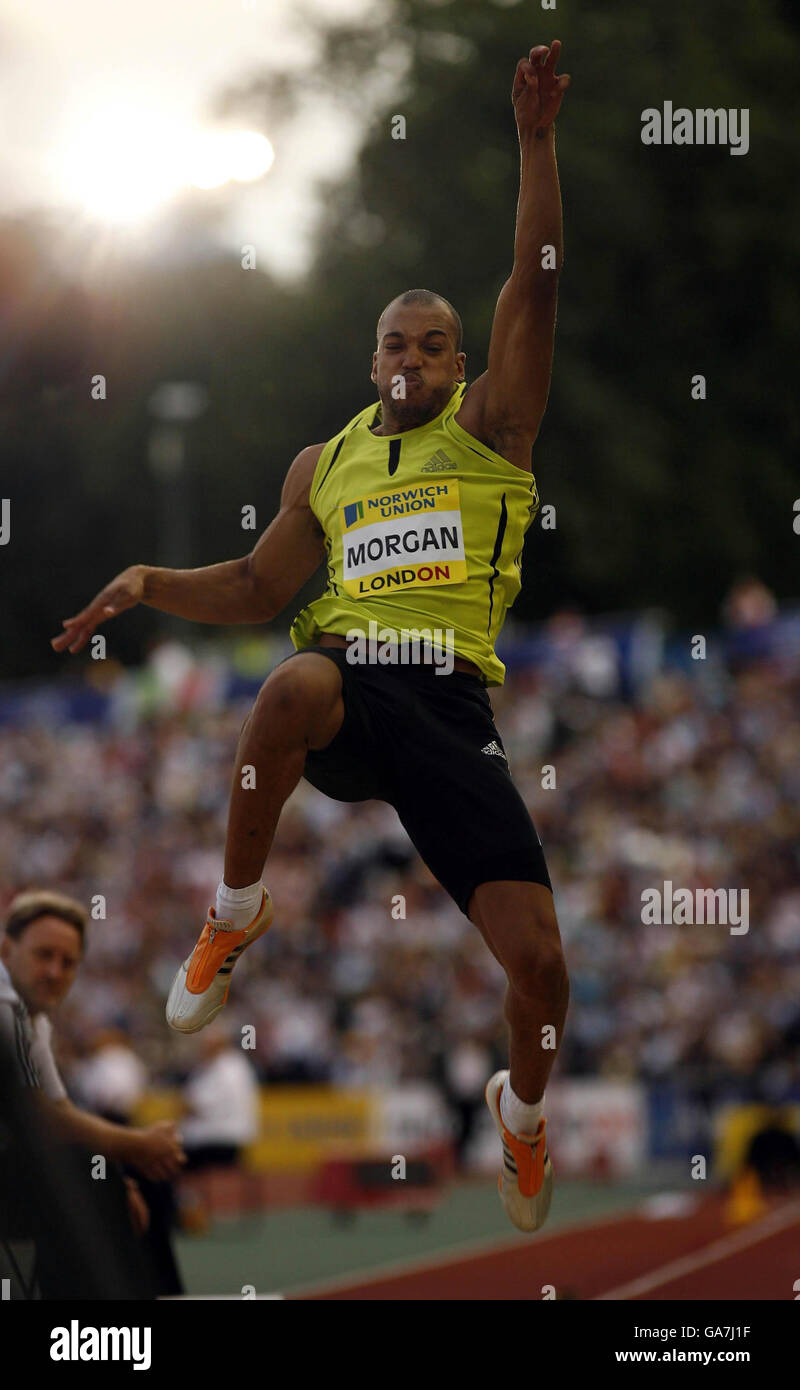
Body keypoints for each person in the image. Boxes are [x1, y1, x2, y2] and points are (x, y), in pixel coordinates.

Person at [51, 42, 571, 1233]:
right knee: (288, 677)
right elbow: (249, 584)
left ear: (457, 364)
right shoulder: (321, 463)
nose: (411, 358)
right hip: (352, 687)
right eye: (393, 343)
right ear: (370, 360)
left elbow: (533, 286)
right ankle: (234, 909)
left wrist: (536, 143)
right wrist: (148, 580)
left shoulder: (493, 426)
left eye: (432, 343)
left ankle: (523, 1115)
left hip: (446, 708)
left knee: (538, 969)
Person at [0, 890, 186, 1291]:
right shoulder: (4, 1006)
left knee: (118, 1176)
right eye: (43, 955)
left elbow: (58, 1109)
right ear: (5, 950)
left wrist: (121, 1162)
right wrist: (134, 1145)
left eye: (68, 962)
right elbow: (44, 1119)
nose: (54, 971)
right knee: (91, 1177)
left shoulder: (34, 1021)